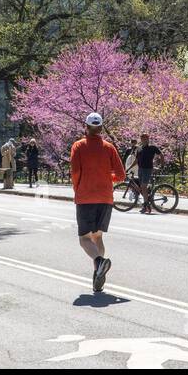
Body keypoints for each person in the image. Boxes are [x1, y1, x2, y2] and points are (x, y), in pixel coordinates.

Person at [71, 113, 125, 293]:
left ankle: (99, 262)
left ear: (86, 127)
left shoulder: (78, 146)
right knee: (98, 237)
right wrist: (107, 176)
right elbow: (121, 175)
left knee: (84, 239)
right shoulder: (109, 148)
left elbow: (76, 172)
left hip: (86, 197)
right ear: (101, 128)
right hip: (105, 198)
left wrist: (77, 190)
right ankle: (97, 276)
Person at [132, 134, 162, 214]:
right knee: (141, 187)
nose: (144, 140)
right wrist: (129, 168)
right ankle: (147, 203)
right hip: (140, 169)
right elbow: (136, 160)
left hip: (148, 169)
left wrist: (161, 165)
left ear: (148, 139)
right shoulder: (139, 148)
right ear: (141, 139)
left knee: (143, 187)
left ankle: (145, 206)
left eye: (145, 138)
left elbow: (161, 155)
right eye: (142, 138)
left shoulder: (152, 148)